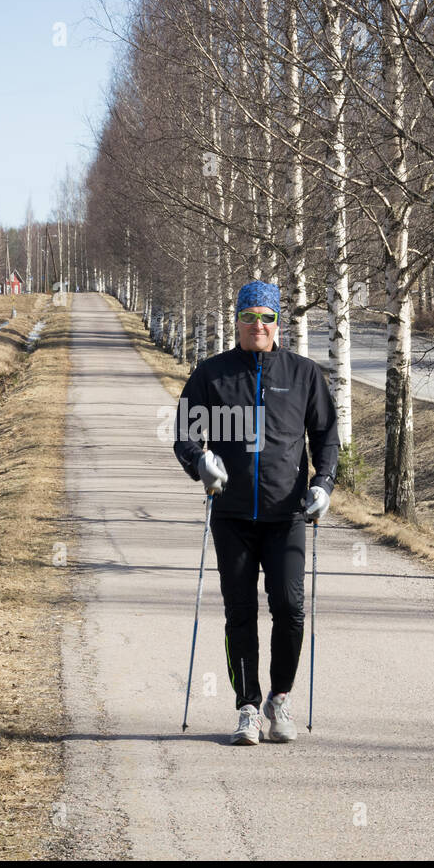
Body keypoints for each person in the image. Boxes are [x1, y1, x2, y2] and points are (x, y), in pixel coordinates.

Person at [173, 280, 340, 745]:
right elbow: (185, 434)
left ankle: (279, 700)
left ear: (278, 323)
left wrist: (323, 485)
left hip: (287, 514)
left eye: (266, 318)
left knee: (289, 608)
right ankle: (247, 706)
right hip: (231, 516)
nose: (258, 326)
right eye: (249, 318)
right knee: (240, 612)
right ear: (238, 323)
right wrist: (200, 462)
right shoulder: (212, 374)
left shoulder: (304, 374)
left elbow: (326, 437)